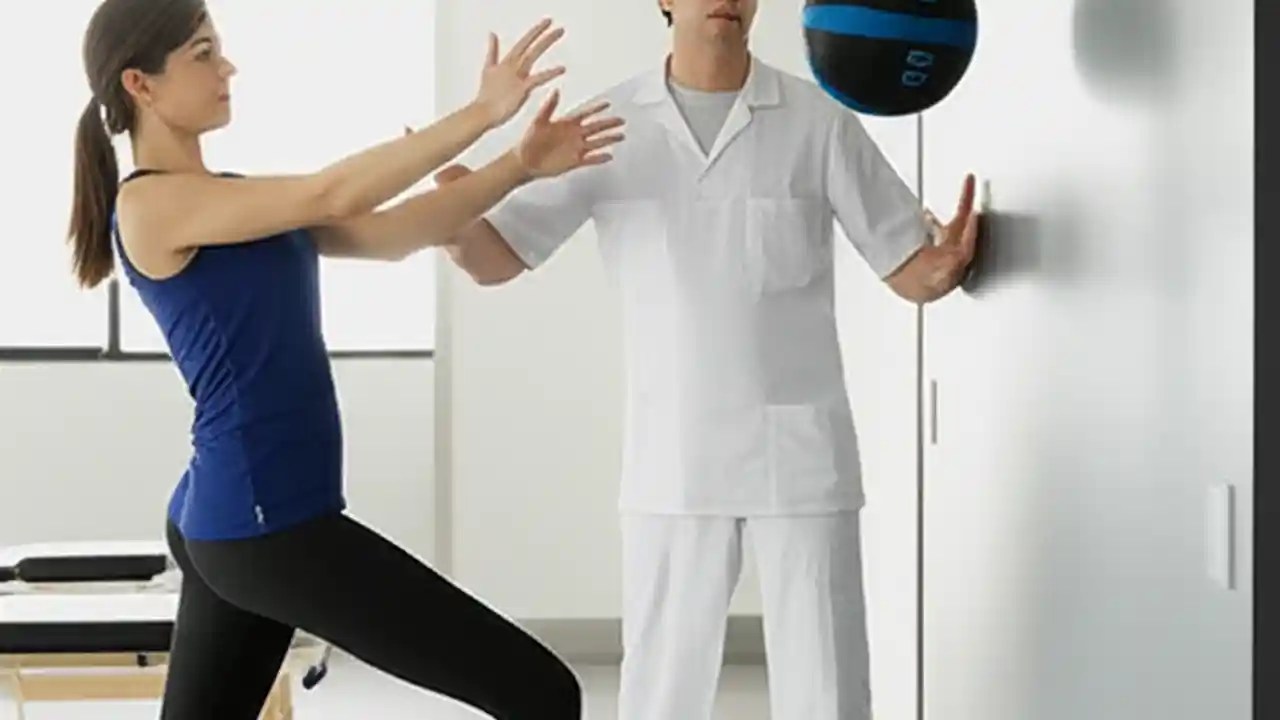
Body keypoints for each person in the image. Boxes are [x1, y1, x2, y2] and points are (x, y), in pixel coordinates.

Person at [67, 1, 624, 718]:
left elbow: (389, 234)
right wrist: (482, 113)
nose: (227, 67)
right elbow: (334, 190)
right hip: (267, 525)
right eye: (203, 53)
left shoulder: (230, 199)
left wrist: (517, 165)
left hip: (238, 516)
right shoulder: (150, 208)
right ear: (140, 84)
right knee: (541, 692)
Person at [436, 1, 980, 718]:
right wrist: (449, 218)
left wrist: (948, 268)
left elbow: (910, 269)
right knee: (662, 688)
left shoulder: (818, 121)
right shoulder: (607, 125)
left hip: (801, 454)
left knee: (830, 685)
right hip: (674, 457)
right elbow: (496, 258)